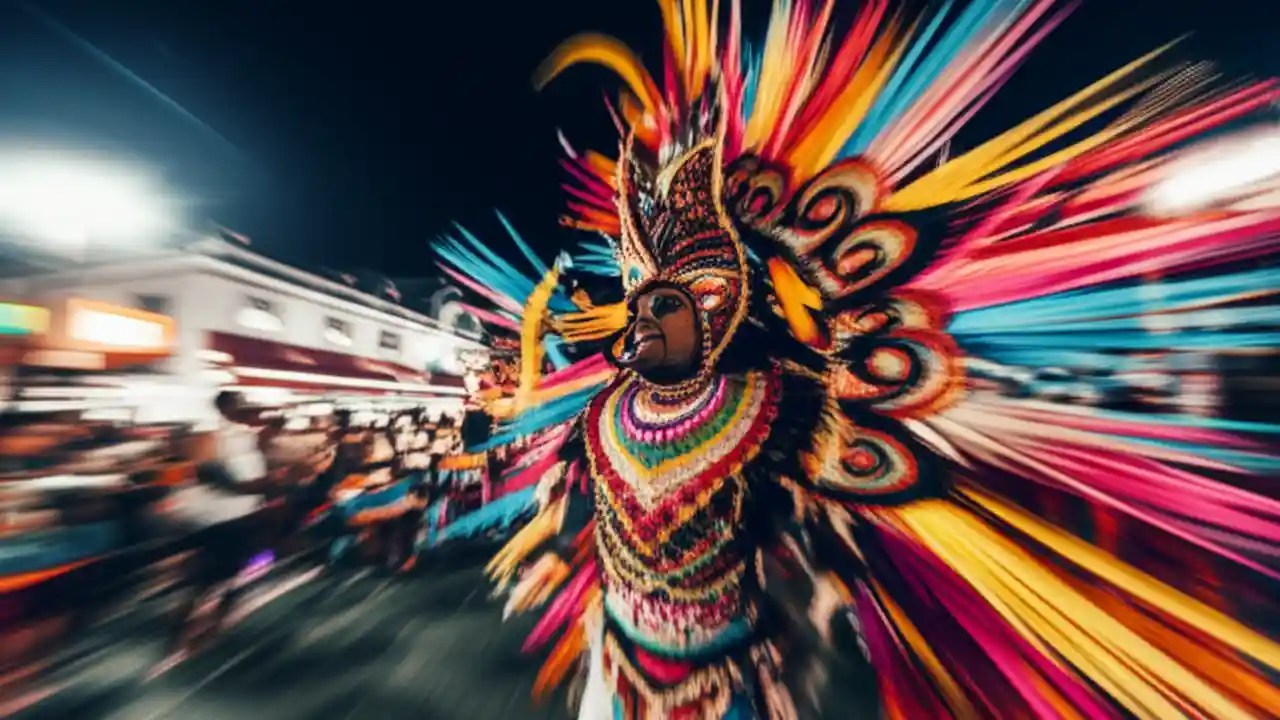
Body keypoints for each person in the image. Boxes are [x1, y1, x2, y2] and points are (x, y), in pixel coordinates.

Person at [436, 2, 1280, 717]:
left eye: (670, 301)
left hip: (734, 670)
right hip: (616, 663)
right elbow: (572, 507)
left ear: (719, 310)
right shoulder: (599, 414)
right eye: (643, 297)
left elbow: (821, 516)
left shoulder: (776, 404)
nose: (647, 318)